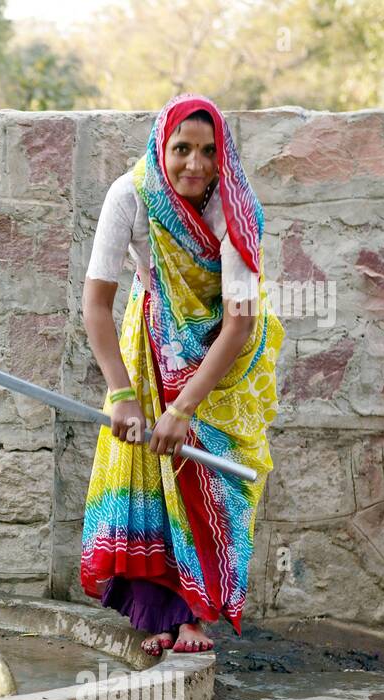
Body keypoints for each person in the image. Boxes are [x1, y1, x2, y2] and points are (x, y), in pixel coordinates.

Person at [79, 93, 285, 656]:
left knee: (212, 477)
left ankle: (197, 613)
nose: (194, 165)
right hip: (150, 345)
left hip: (225, 358)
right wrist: (123, 396)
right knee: (150, 471)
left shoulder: (233, 206)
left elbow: (239, 324)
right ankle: (161, 614)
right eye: (181, 149)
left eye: (208, 152)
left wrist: (183, 408)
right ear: (160, 147)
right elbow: (95, 304)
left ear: (223, 157)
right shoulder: (130, 195)